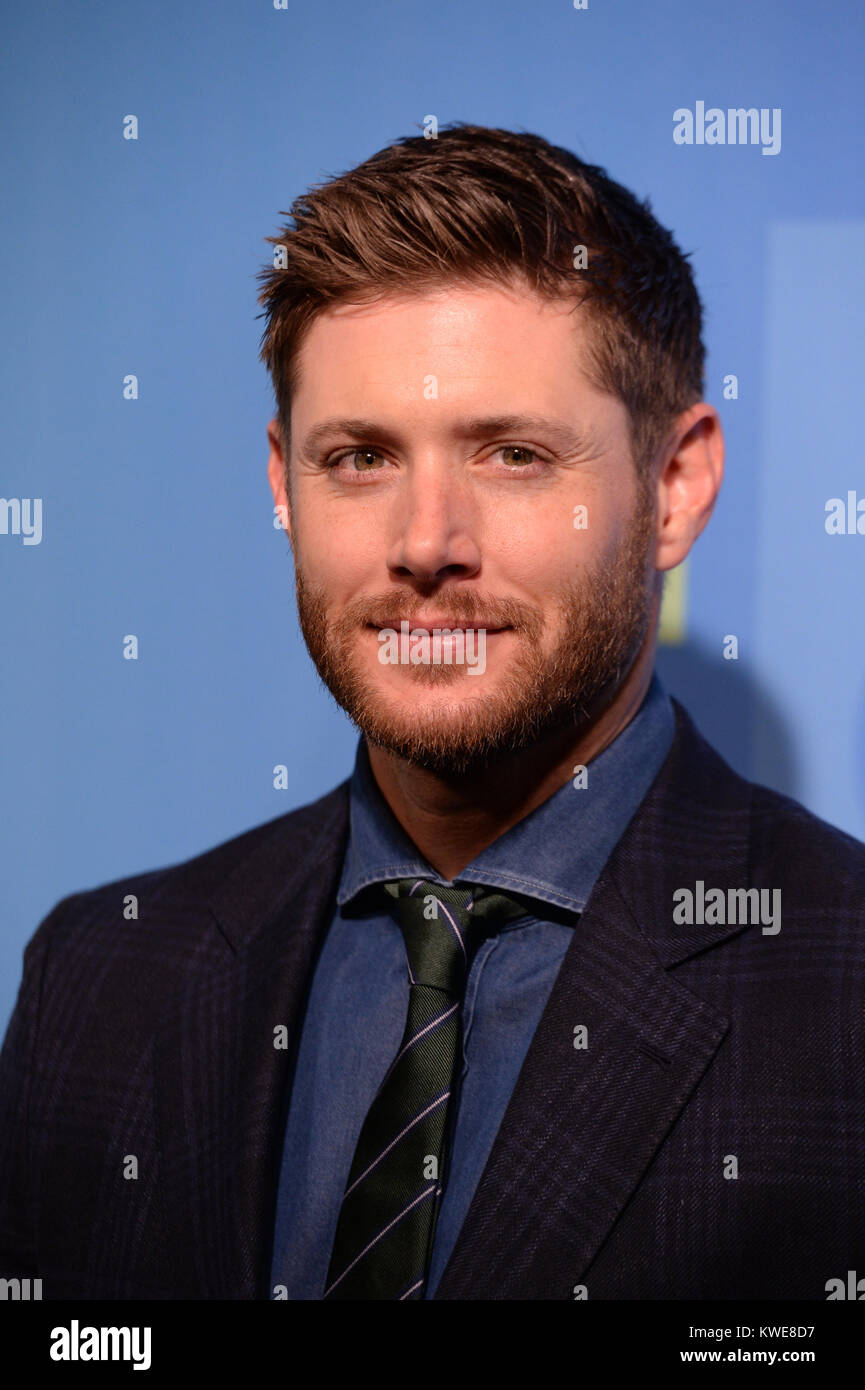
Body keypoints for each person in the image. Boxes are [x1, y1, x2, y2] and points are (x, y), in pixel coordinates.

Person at [1, 124, 863, 1301]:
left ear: (673, 488)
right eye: (358, 457)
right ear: (281, 483)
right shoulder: (101, 975)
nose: (422, 545)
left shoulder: (841, 991)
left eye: (511, 454)